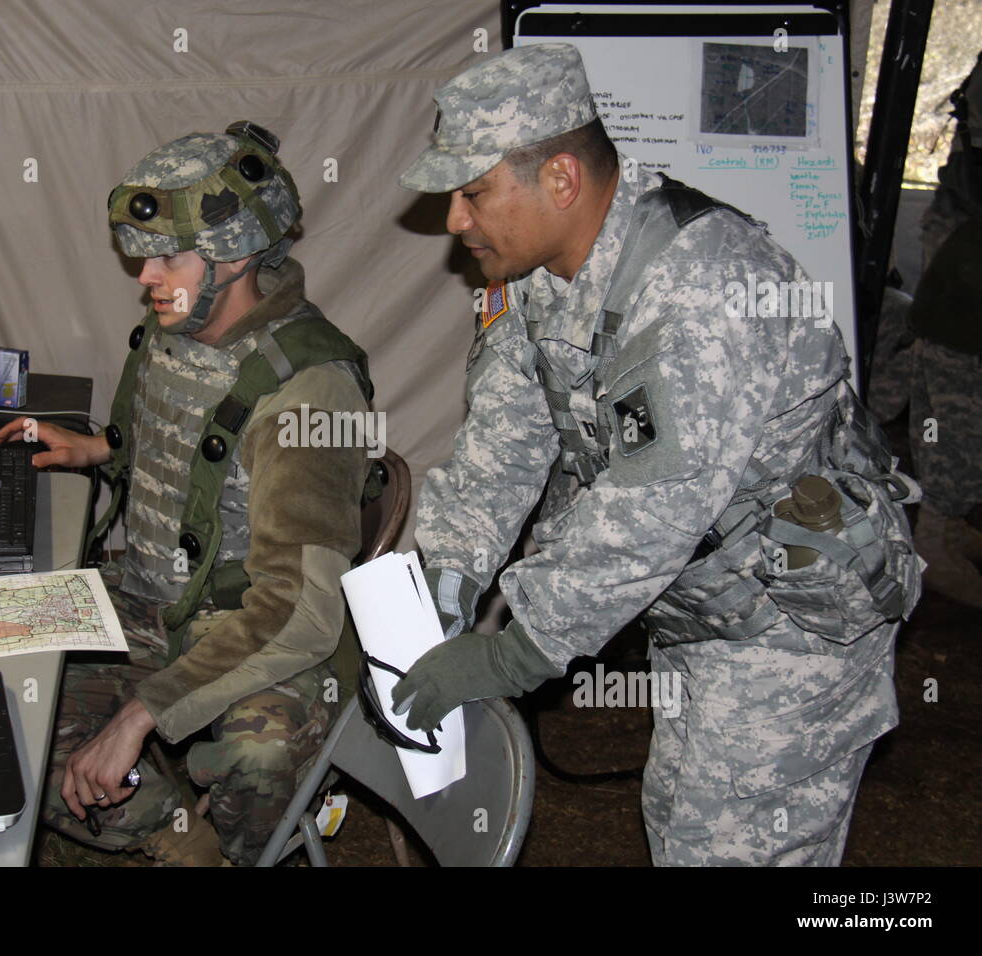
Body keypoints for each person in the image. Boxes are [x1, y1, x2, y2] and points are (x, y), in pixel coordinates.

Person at [390, 44, 922, 865]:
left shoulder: (704, 285)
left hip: (790, 637)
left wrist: (513, 653)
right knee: (682, 834)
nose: (454, 220)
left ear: (560, 180)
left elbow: (652, 505)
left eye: (472, 192)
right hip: (704, 618)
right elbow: (505, 439)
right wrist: (448, 584)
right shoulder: (535, 279)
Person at [0, 122, 371, 865]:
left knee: (255, 758)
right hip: (153, 597)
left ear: (235, 256)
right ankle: (184, 842)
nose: (145, 277)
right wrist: (98, 447)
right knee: (5, 701)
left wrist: (144, 711)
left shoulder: (312, 391)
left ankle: (233, 846)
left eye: (167, 256)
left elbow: (300, 609)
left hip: (255, 622)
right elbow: (179, 439)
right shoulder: (179, 324)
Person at [908, 51, 982, 606]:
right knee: (957, 417)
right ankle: (933, 536)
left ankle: (947, 526)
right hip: (964, 286)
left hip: (959, 270)